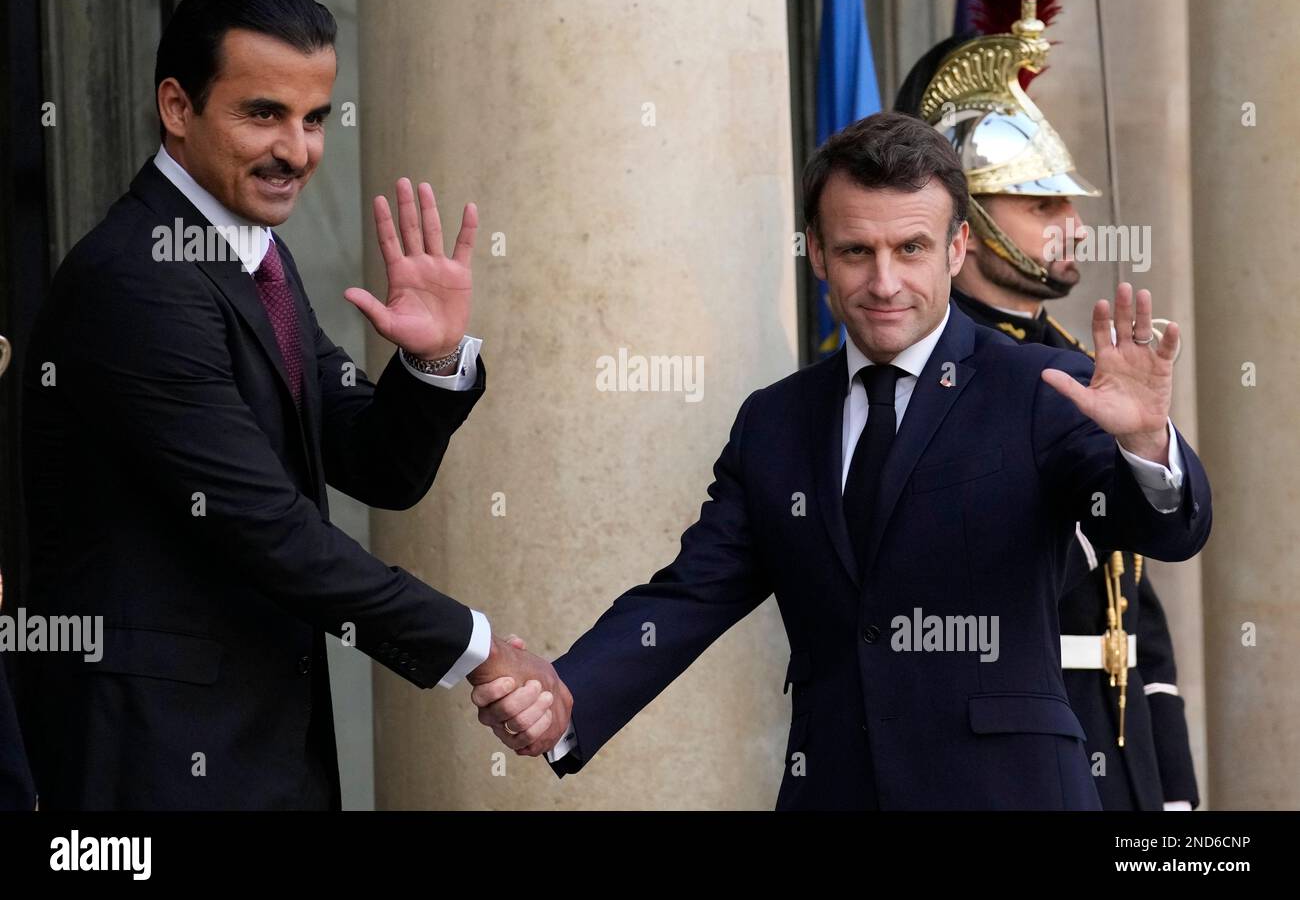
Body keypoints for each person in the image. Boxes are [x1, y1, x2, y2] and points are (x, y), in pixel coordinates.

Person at [473, 108, 1210, 809]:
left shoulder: (1042, 389)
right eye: (858, 251)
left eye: (911, 249)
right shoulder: (776, 421)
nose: (884, 283)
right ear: (818, 254)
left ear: (958, 249)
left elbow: (1167, 532)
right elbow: (691, 594)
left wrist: (1146, 445)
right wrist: (567, 693)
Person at [18, 0, 558, 809]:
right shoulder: (138, 277)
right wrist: (481, 649)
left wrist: (433, 359)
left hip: (257, 749)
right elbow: (269, 529)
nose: (297, 151)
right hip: (153, 764)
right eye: (262, 113)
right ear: (176, 107)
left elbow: (376, 464)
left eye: (315, 119)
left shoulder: (251, 255)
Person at [893, 0, 1199, 809]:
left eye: (1066, 201)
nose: (1072, 224)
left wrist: (1170, 792)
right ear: (970, 217)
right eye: (1041, 203)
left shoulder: (1075, 357)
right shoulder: (929, 373)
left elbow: (1135, 605)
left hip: (1122, 753)